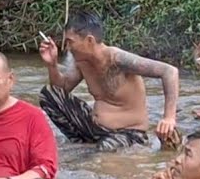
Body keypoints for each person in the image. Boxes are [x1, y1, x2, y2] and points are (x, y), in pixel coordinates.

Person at [39, 10, 181, 151]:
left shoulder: (117, 59)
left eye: (70, 42)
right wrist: (52, 65)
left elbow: (169, 72)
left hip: (128, 133)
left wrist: (169, 117)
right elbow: (61, 89)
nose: (67, 48)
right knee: (49, 94)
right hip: (94, 128)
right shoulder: (81, 61)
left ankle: (91, 149)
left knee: (105, 149)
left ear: (89, 40)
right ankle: (80, 144)